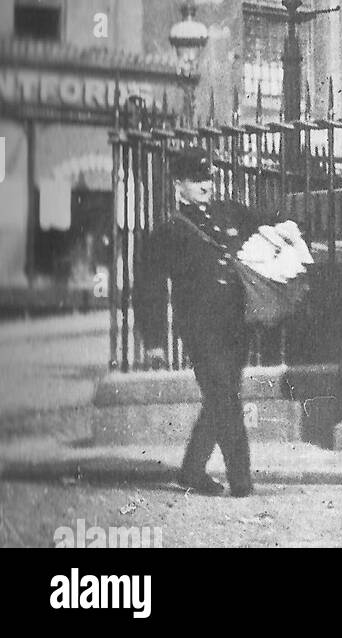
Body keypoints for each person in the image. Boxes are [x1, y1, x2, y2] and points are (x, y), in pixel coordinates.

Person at [133, 149, 262, 496]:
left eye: (208, 178)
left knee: (222, 397)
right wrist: (155, 341)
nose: (206, 185)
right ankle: (241, 481)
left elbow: (267, 229)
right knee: (225, 398)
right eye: (196, 180)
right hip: (200, 330)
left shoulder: (230, 212)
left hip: (237, 324)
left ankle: (191, 471)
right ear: (179, 186)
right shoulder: (169, 231)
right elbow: (150, 288)